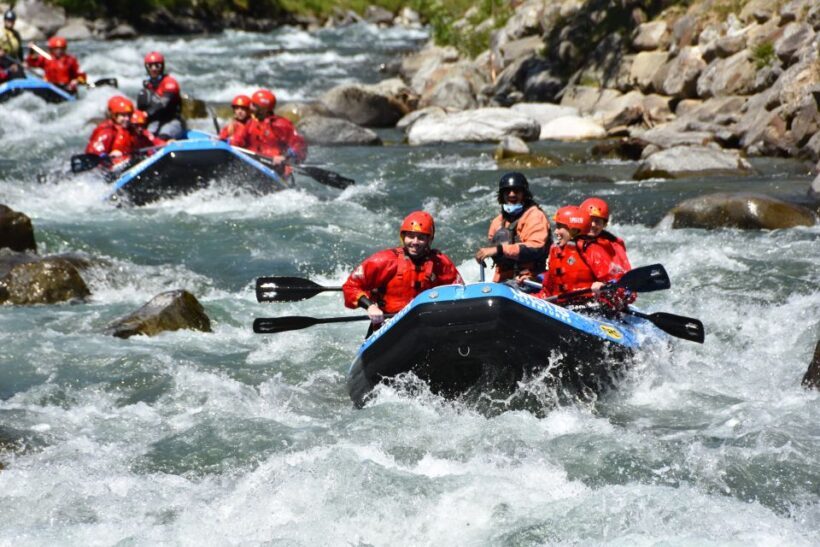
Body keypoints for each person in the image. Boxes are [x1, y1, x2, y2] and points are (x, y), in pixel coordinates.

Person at [343, 211, 463, 332]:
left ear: (429, 240)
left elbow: (459, 292)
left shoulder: (441, 263)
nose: (415, 242)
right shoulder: (384, 260)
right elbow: (350, 287)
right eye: (411, 236)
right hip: (388, 324)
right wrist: (370, 307)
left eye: (421, 237)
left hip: (425, 325)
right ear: (403, 237)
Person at [537, 205, 630, 309]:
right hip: (564, 306)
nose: (556, 232)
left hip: (593, 308)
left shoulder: (592, 250)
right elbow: (547, 291)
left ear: (573, 230)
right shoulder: (555, 250)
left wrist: (606, 287)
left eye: (559, 227)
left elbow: (623, 287)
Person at [474, 172, 551, 283]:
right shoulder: (497, 222)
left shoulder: (535, 215)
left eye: (516, 190)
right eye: (507, 191)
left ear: (524, 194)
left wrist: (500, 249)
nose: (512, 194)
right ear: (502, 195)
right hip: (504, 281)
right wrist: (484, 255)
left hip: (530, 279)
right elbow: (496, 254)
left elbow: (536, 248)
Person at [245, 88, 307, 177]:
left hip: (275, 168)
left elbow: (300, 145)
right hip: (251, 163)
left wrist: (285, 156)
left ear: (263, 109)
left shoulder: (281, 125)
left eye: (254, 105)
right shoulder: (249, 122)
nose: (250, 106)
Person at [136, 51, 185, 140]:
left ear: (162, 66)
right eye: (150, 66)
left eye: (157, 65)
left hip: (172, 120)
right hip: (155, 121)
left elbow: (164, 103)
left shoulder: (170, 82)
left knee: (162, 137)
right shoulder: (148, 85)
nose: (154, 69)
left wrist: (146, 113)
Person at [579, 197, 631, 274]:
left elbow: (623, 273)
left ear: (604, 225)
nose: (593, 224)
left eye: (597, 221)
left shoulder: (613, 246)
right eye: (589, 220)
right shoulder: (569, 243)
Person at [85, 95, 136, 167]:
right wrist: (106, 157)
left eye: (129, 115)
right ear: (114, 115)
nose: (127, 119)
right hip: (111, 170)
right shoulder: (106, 132)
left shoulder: (130, 130)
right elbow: (92, 156)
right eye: (123, 115)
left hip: (127, 163)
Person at [0, 9, 24, 81]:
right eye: (8, 20)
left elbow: (20, 51)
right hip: (1, 60)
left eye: (11, 20)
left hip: (11, 59)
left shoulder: (16, 34)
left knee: (18, 71)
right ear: (4, 21)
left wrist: (22, 62)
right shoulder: (0, 32)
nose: (10, 22)